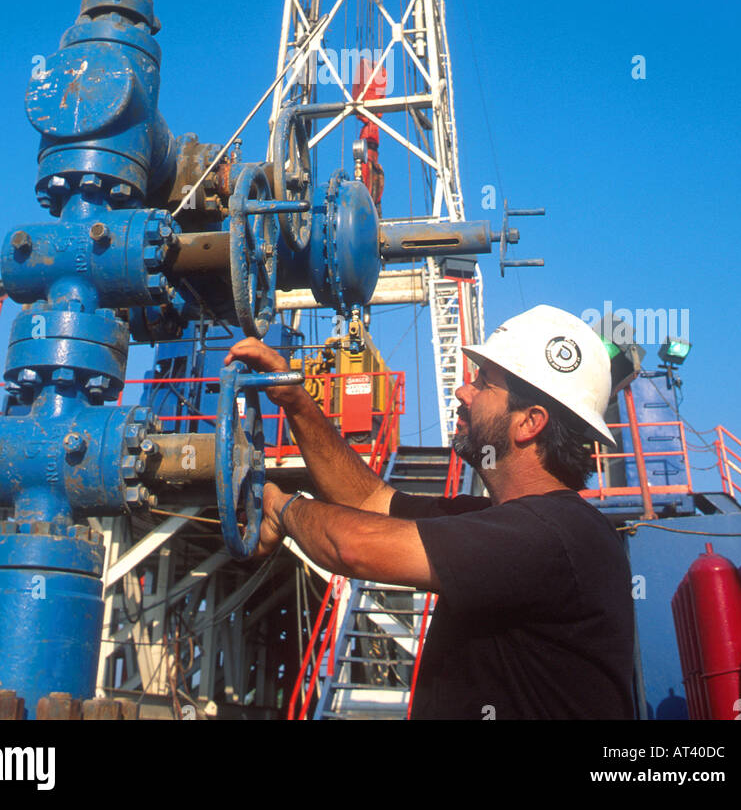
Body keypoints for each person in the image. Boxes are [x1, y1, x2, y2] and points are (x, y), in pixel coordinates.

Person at [225, 304, 635, 720]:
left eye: (483, 383)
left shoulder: (555, 536)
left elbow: (353, 548)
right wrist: (295, 400)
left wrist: (283, 508)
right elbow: (369, 502)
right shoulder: (501, 520)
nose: (463, 392)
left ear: (529, 422)